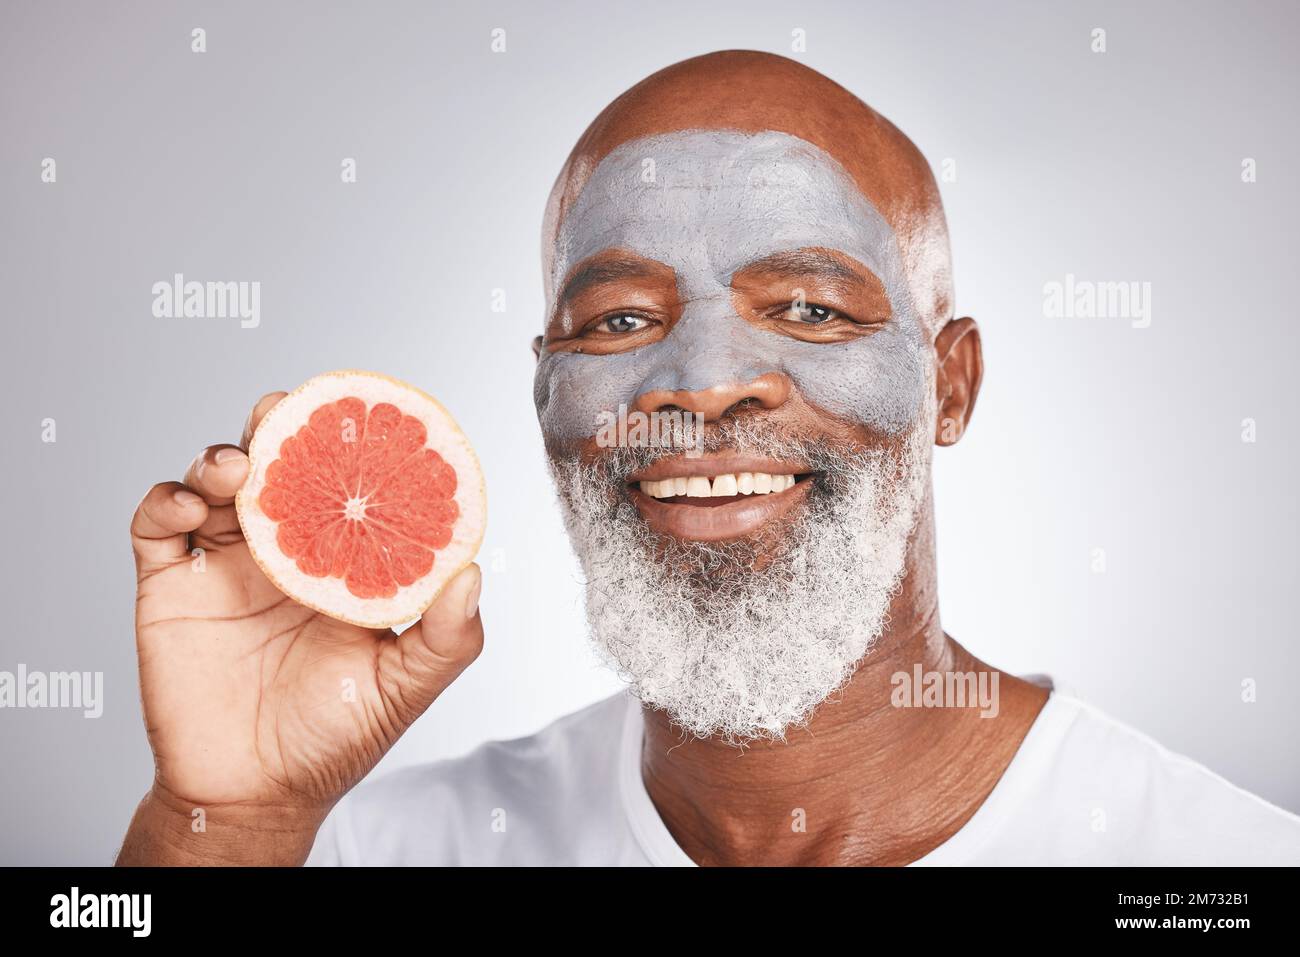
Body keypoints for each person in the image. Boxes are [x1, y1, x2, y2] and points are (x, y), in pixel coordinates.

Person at [117, 51, 1300, 866]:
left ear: (951, 385)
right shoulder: (381, 848)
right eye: (620, 320)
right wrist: (217, 816)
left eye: (810, 309)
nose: (700, 382)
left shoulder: (1199, 868)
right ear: (543, 394)